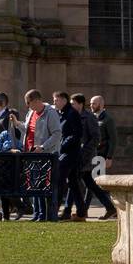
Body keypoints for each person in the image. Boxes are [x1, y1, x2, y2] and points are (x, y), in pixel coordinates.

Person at [22, 89, 61, 221]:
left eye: (29, 102)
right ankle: (37, 213)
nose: (28, 106)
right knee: (34, 185)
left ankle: (44, 214)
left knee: (42, 186)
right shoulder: (31, 113)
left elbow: (57, 134)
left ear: (37, 100)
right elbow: (28, 130)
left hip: (45, 155)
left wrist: (43, 147)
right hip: (31, 154)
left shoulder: (51, 113)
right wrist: (17, 124)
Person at [53, 90, 86, 220]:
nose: (54, 102)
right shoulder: (62, 113)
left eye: (56, 99)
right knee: (73, 183)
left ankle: (54, 210)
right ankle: (81, 212)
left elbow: (76, 134)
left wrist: (62, 145)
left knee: (59, 180)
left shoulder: (72, 113)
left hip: (70, 153)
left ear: (63, 100)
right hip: (67, 152)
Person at [89, 95, 117, 208]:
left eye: (94, 103)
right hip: (91, 155)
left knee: (97, 184)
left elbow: (113, 139)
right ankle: (85, 209)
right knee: (91, 183)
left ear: (101, 104)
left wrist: (109, 157)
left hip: (100, 156)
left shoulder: (108, 119)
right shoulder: (91, 117)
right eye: (90, 103)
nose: (91, 106)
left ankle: (111, 207)